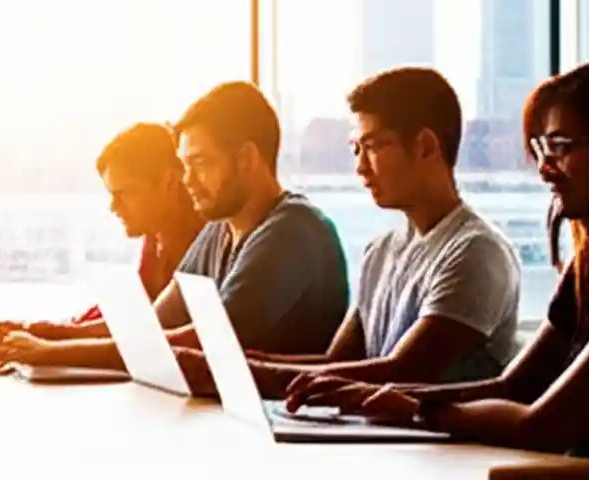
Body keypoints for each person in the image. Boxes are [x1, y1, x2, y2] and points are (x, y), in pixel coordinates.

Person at [284, 56, 589, 465]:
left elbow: (544, 425)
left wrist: (410, 408)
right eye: (542, 150)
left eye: (561, 148)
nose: (545, 167)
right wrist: (381, 400)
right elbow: (514, 386)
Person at [202, 68, 520, 397]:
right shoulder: (380, 250)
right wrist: (246, 363)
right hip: (379, 439)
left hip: (451, 447)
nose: (360, 167)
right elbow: (338, 361)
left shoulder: (477, 252)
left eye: (372, 147)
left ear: (425, 146)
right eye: (357, 149)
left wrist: (243, 371)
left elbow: (405, 371)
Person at [0, 81, 349, 369]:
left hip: (279, 434)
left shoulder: (291, 232)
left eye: (200, 163)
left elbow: (206, 339)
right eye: (185, 165)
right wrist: (52, 334)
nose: (188, 181)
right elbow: (154, 324)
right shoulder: (218, 229)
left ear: (246, 159)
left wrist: (49, 351)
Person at [0, 123, 205, 343]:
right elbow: (133, 314)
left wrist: (62, 336)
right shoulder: (155, 236)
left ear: (168, 182)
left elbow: (152, 332)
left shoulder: (206, 245)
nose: (114, 206)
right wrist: (49, 330)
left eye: (124, 193)